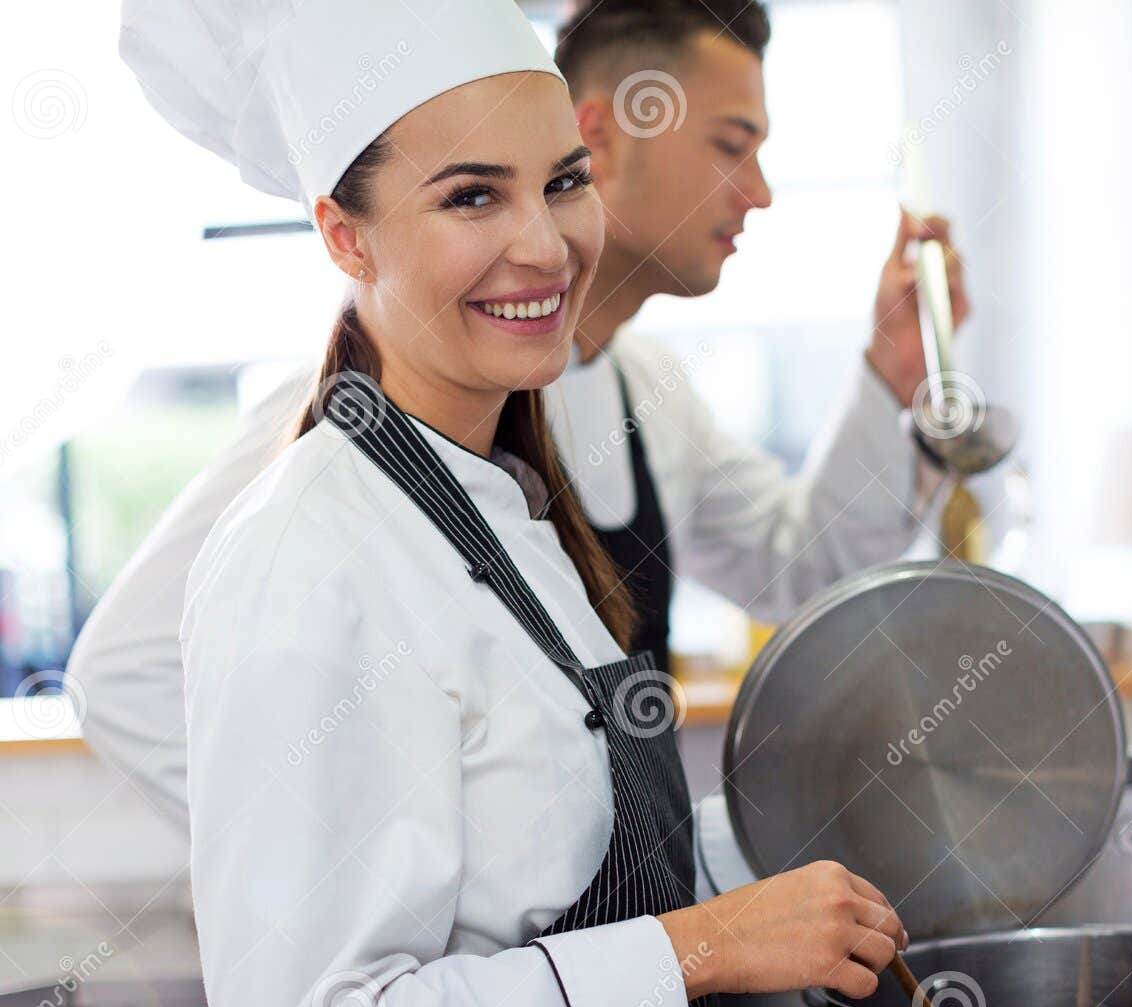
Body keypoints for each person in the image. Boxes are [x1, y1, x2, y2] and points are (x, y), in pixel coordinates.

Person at [121, 0, 906, 1007]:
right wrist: (700, 944)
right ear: (344, 236)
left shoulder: (511, 499)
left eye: (563, 182)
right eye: (472, 195)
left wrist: (786, 869)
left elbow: (537, 861)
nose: (543, 245)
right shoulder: (305, 553)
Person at [71, 0, 970, 825]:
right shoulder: (357, 413)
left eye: (553, 188)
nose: (762, 192)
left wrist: (893, 378)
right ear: (603, 138)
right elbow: (125, 676)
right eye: (731, 144)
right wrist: (366, 864)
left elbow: (798, 570)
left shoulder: (642, 388)